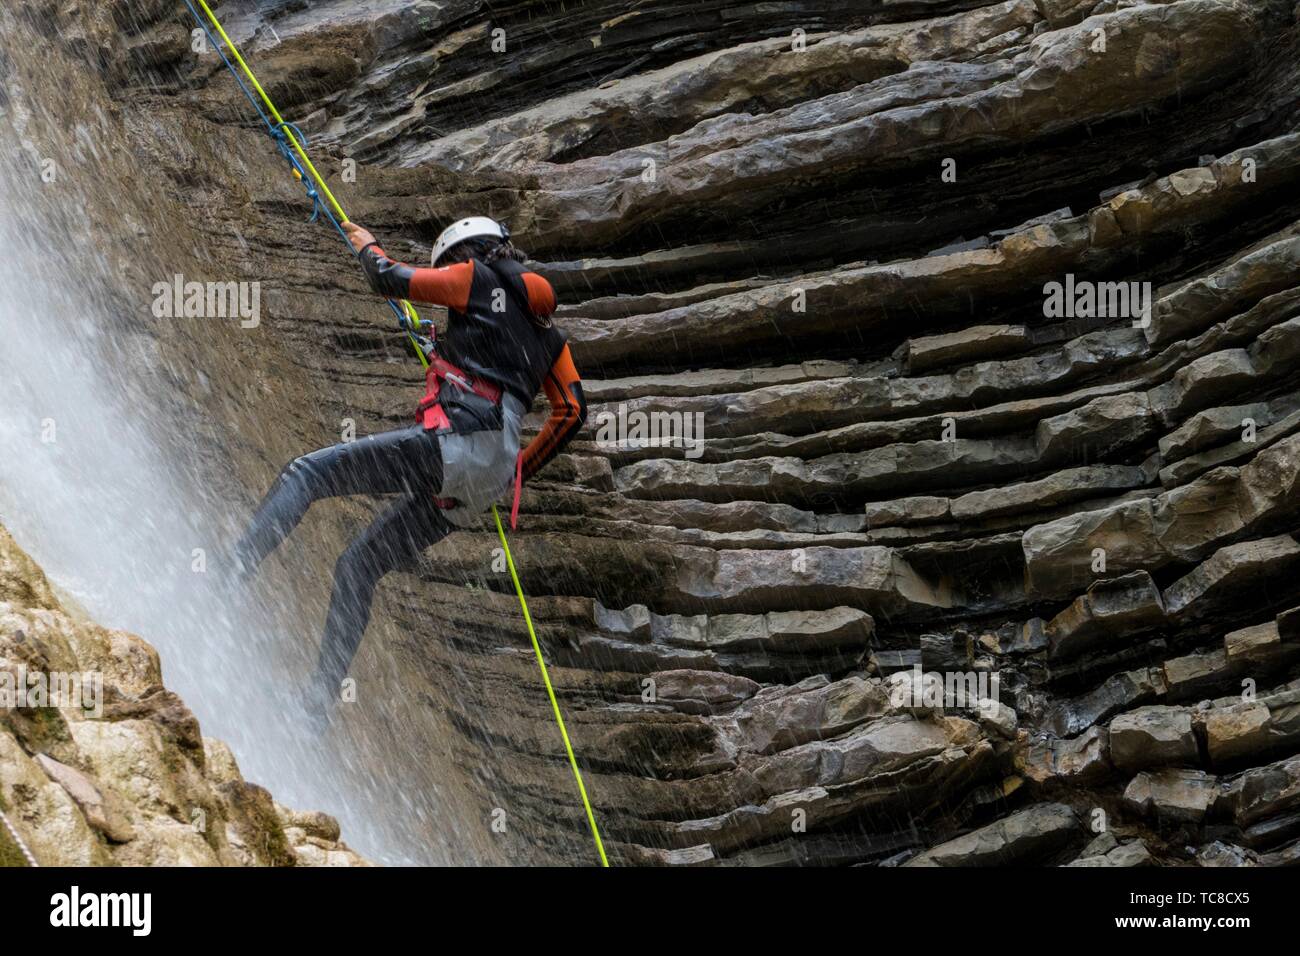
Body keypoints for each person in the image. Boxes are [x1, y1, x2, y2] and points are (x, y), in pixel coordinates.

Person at [232, 216, 586, 717]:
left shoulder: (474, 278)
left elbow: (388, 277)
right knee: (359, 567)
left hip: (457, 440)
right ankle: (314, 709)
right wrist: (515, 471)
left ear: (469, 253)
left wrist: (365, 243)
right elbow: (572, 411)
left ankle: (225, 580)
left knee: (306, 475)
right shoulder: (549, 334)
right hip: (483, 478)